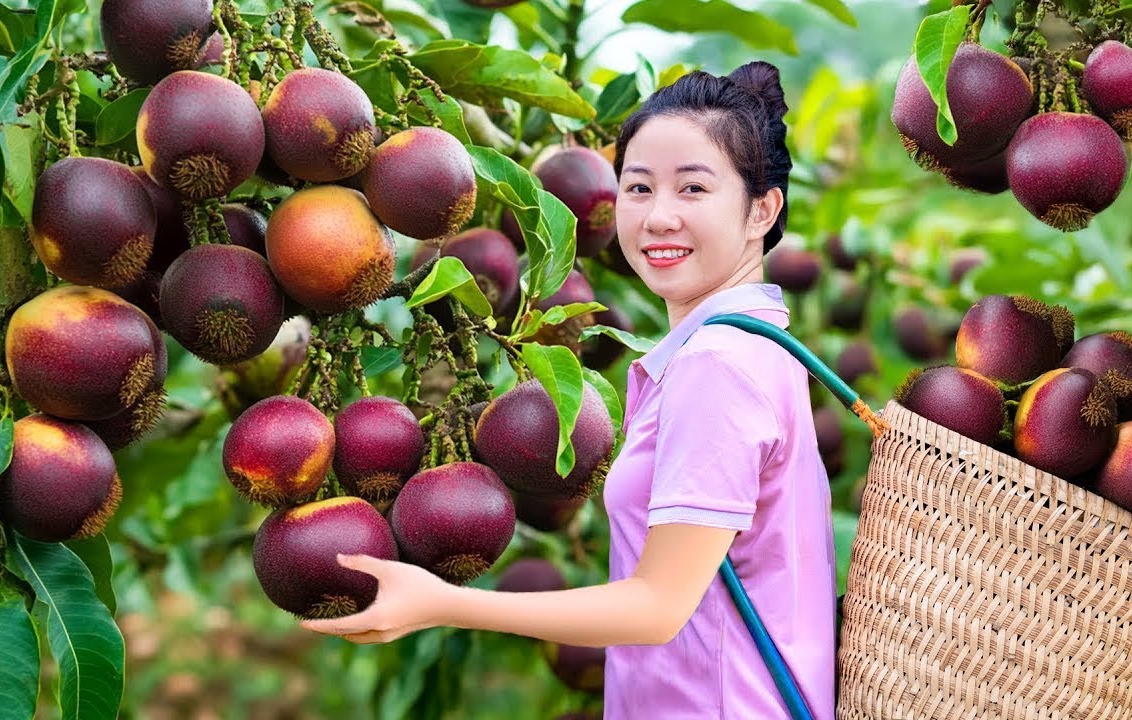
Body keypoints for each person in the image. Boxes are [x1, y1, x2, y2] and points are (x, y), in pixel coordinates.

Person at [302, 61, 837, 720]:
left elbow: (657, 607)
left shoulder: (719, 367)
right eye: (638, 188)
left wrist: (442, 604)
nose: (658, 217)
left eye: (693, 189)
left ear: (763, 209)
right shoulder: (744, 347)